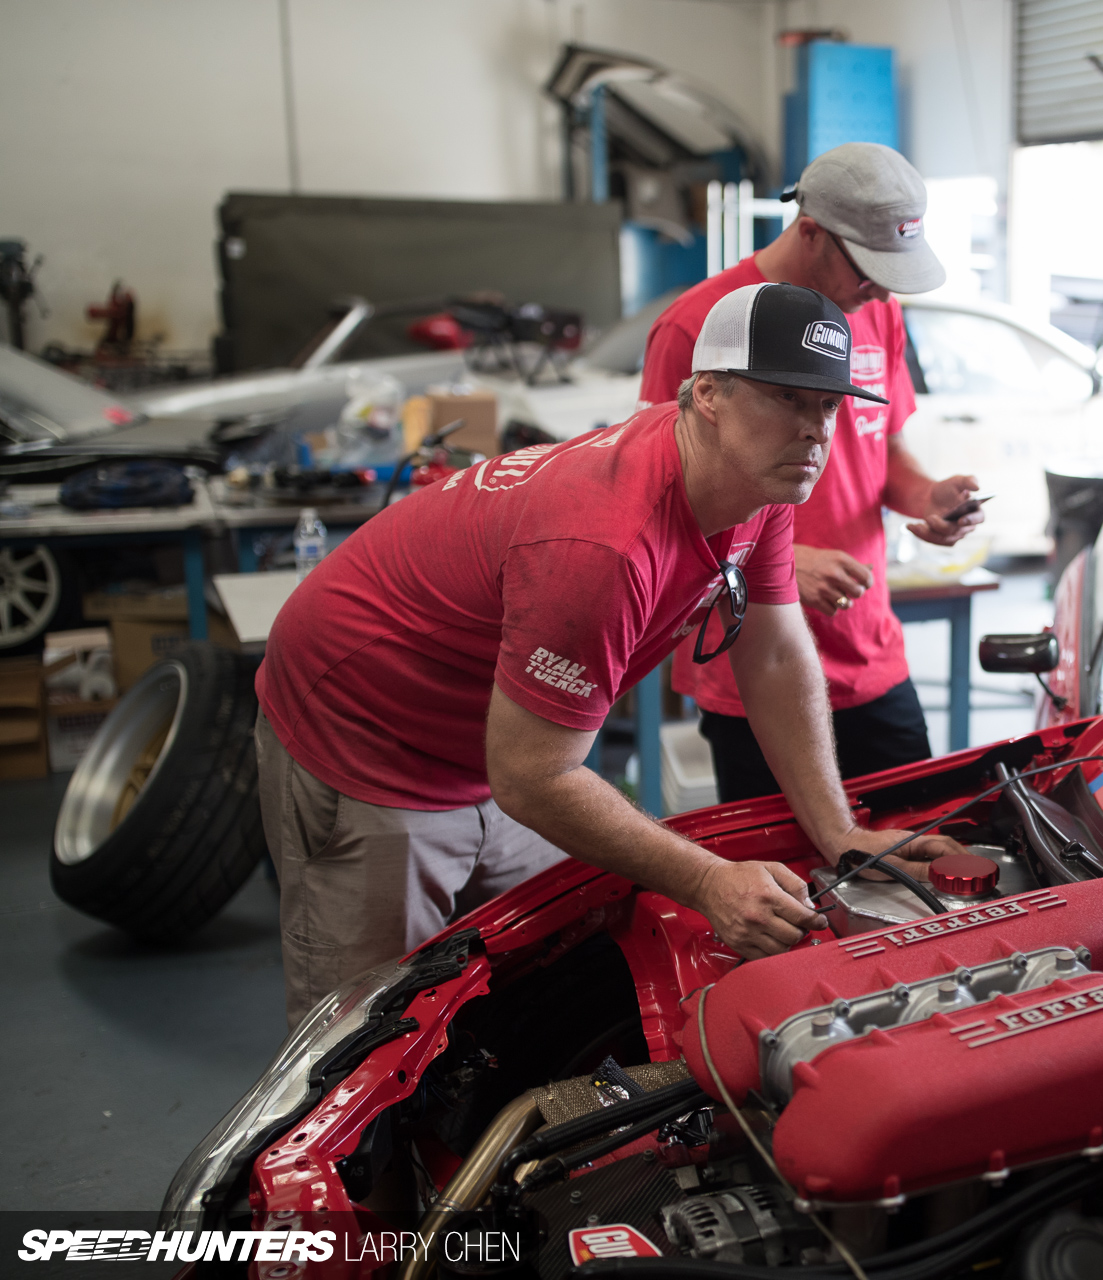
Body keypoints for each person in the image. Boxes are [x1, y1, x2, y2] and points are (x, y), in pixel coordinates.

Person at [255, 282, 963, 1025]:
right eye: (787, 398)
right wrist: (710, 882)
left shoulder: (758, 489)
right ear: (709, 394)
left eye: (827, 405)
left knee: (547, 980)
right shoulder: (605, 543)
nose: (816, 431)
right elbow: (532, 777)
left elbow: (776, 654)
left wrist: (837, 830)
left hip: (496, 740)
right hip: (366, 735)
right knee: (367, 1039)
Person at [641, 142, 982, 802]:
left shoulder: (873, 311)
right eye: (868, 270)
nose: (882, 289)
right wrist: (781, 565)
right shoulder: (698, 327)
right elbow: (655, 506)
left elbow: (881, 451)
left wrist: (926, 496)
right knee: (784, 888)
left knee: (919, 851)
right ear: (810, 233)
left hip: (867, 650)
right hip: (754, 667)